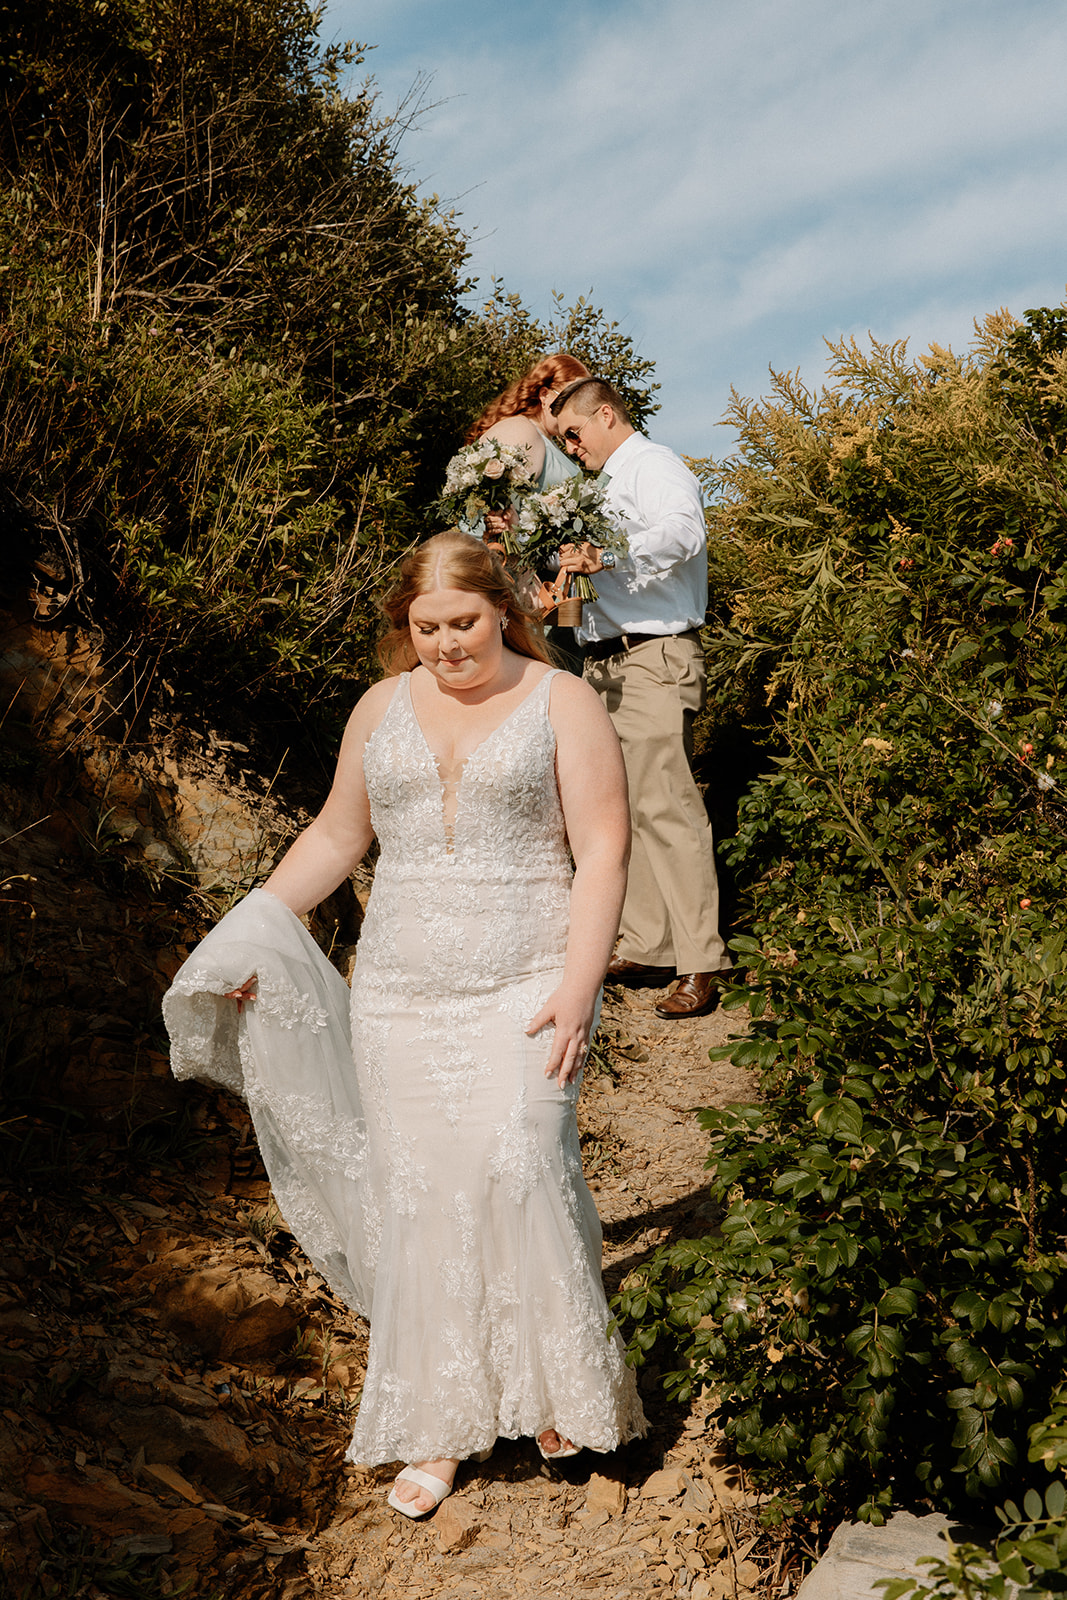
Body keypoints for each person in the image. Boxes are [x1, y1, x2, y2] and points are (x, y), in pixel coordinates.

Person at [162, 531, 645, 1521]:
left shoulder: (563, 703)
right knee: (420, 1197)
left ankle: (556, 1393)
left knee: (521, 1161)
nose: (444, 647)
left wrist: (580, 984)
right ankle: (439, 1423)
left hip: (526, 975)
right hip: (400, 992)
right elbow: (339, 834)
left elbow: (603, 847)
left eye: (461, 624)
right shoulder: (379, 709)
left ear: (503, 609)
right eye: (423, 629)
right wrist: (251, 933)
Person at [550, 376, 730, 1020]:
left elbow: (683, 533)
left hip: (654, 657)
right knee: (623, 807)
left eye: (573, 432)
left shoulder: (653, 465)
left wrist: (608, 551)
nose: (570, 447)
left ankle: (699, 961)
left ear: (605, 415)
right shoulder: (599, 486)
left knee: (668, 806)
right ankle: (650, 944)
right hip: (605, 662)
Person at [468, 352, 592, 674]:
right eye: (571, 398)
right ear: (545, 395)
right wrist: (528, 590)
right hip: (524, 595)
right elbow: (491, 518)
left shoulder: (550, 442)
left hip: (545, 591)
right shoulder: (522, 432)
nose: (579, 409)